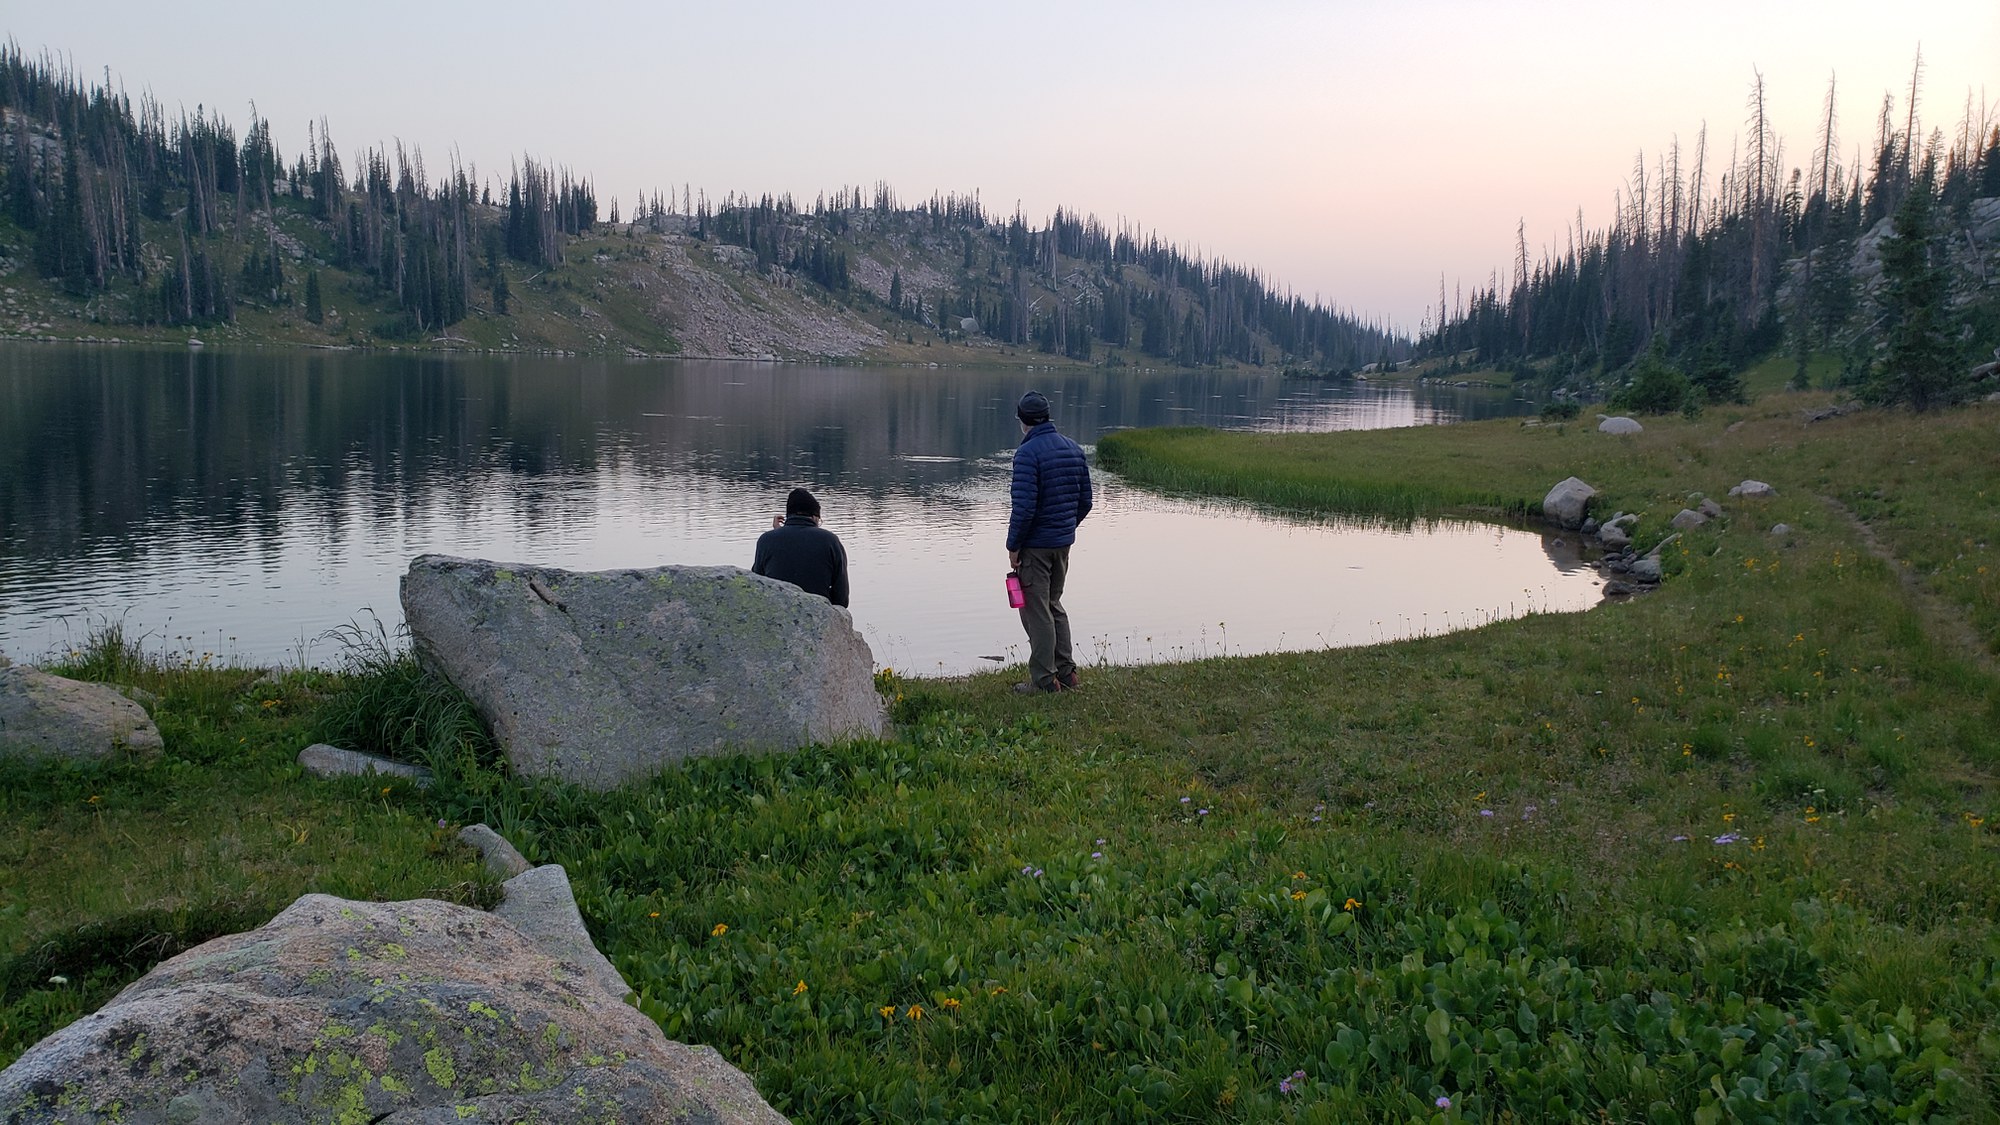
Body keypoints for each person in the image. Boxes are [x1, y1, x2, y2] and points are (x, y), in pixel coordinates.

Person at [1006, 390, 1092, 693]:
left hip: (1035, 547)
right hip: (1062, 544)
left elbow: (1024, 507)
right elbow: (1086, 502)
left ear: (1022, 420)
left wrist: (1013, 547)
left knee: (1036, 609)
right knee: (1053, 604)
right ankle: (1067, 673)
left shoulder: (1027, 454)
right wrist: (1065, 527)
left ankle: (1044, 680)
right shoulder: (1073, 448)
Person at [752, 488, 849, 607]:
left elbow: (756, 582)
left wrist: (778, 534)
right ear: (814, 517)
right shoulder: (830, 541)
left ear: (788, 516)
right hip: (819, 615)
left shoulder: (766, 540)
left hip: (776, 614)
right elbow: (842, 597)